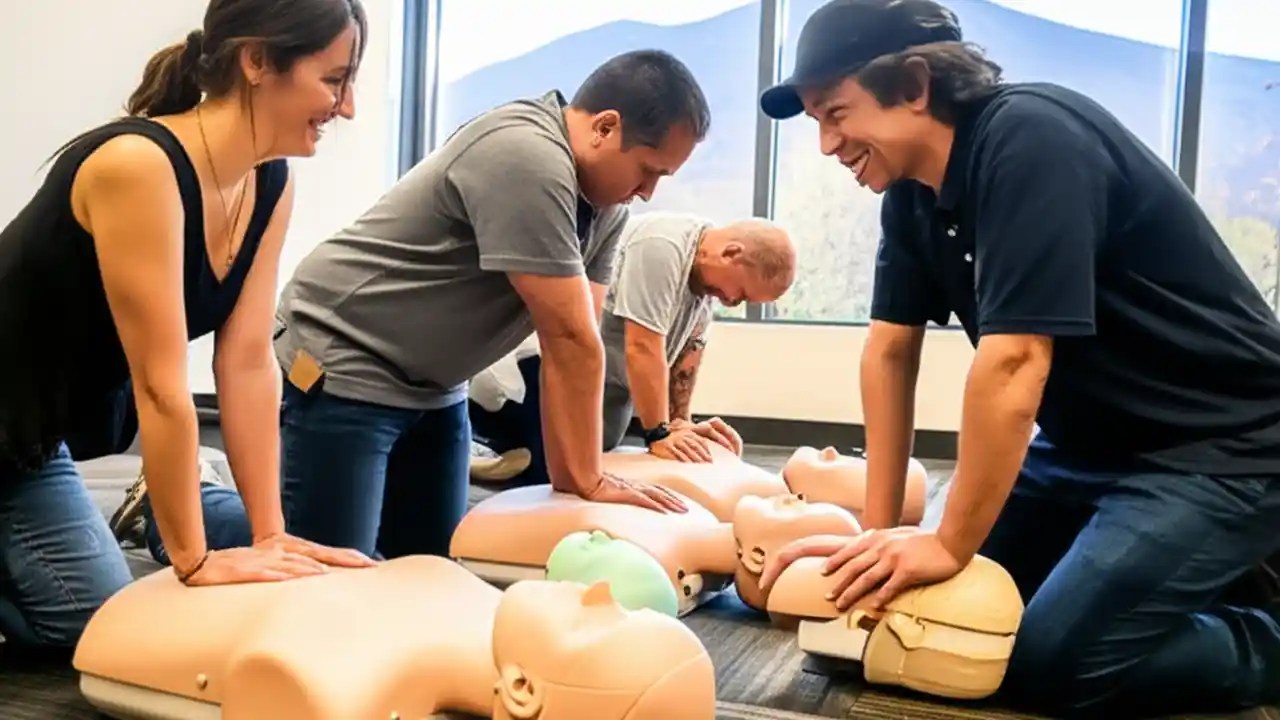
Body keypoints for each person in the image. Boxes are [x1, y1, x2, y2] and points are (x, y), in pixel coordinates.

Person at [755, 0, 1280, 717]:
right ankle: (1193, 572)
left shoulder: (1032, 139)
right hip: (1087, 448)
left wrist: (944, 543)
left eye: (836, 113)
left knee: (1050, 661)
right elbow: (889, 353)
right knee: (947, 618)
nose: (825, 144)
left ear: (914, 84)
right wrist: (879, 543)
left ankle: (1261, 636)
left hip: (1223, 449)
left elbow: (1014, 364)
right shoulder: (909, 196)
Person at [132, 50, 709, 565]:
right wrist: (587, 480)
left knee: (427, 566)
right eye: (649, 171)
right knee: (329, 565)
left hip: (436, 384)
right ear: (606, 128)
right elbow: (570, 338)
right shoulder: (526, 156)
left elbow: (577, 342)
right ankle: (177, 508)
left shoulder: (606, 208)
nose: (648, 192)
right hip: (344, 355)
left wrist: (574, 485)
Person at [0, 0, 376, 655]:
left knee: (92, 621)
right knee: (104, 633)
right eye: (335, 80)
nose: (346, 108)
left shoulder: (269, 181)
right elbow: (161, 387)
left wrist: (269, 535)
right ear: (257, 61)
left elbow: (249, 361)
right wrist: (195, 560)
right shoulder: (138, 166)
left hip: (28, 445)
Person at [469, 212, 797, 484]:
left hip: (594, 380)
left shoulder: (704, 284)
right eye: (739, 294)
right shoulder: (662, 246)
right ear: (731, 253)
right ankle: (479, 446)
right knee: (555, 474)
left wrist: (680, 422)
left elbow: (689, 351)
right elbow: (642, 346)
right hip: (526, 371)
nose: (731, 301)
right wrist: (658, 433)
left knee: (600, 454)